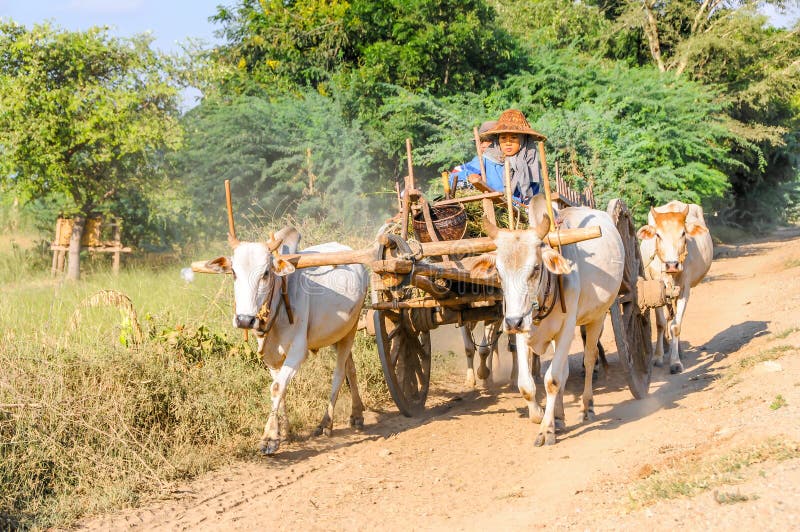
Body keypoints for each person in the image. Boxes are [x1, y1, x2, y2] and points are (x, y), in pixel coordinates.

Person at [452, 109, 545, 204]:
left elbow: (533, 198)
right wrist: (469, 177)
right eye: (503, 138)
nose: (508, 143)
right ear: (498, 140)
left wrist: (517, 203)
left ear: (523, 140)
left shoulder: (529, 163)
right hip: (490, 210)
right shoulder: (486, 160)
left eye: (513, 137)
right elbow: (454, 176)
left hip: (518, 213)